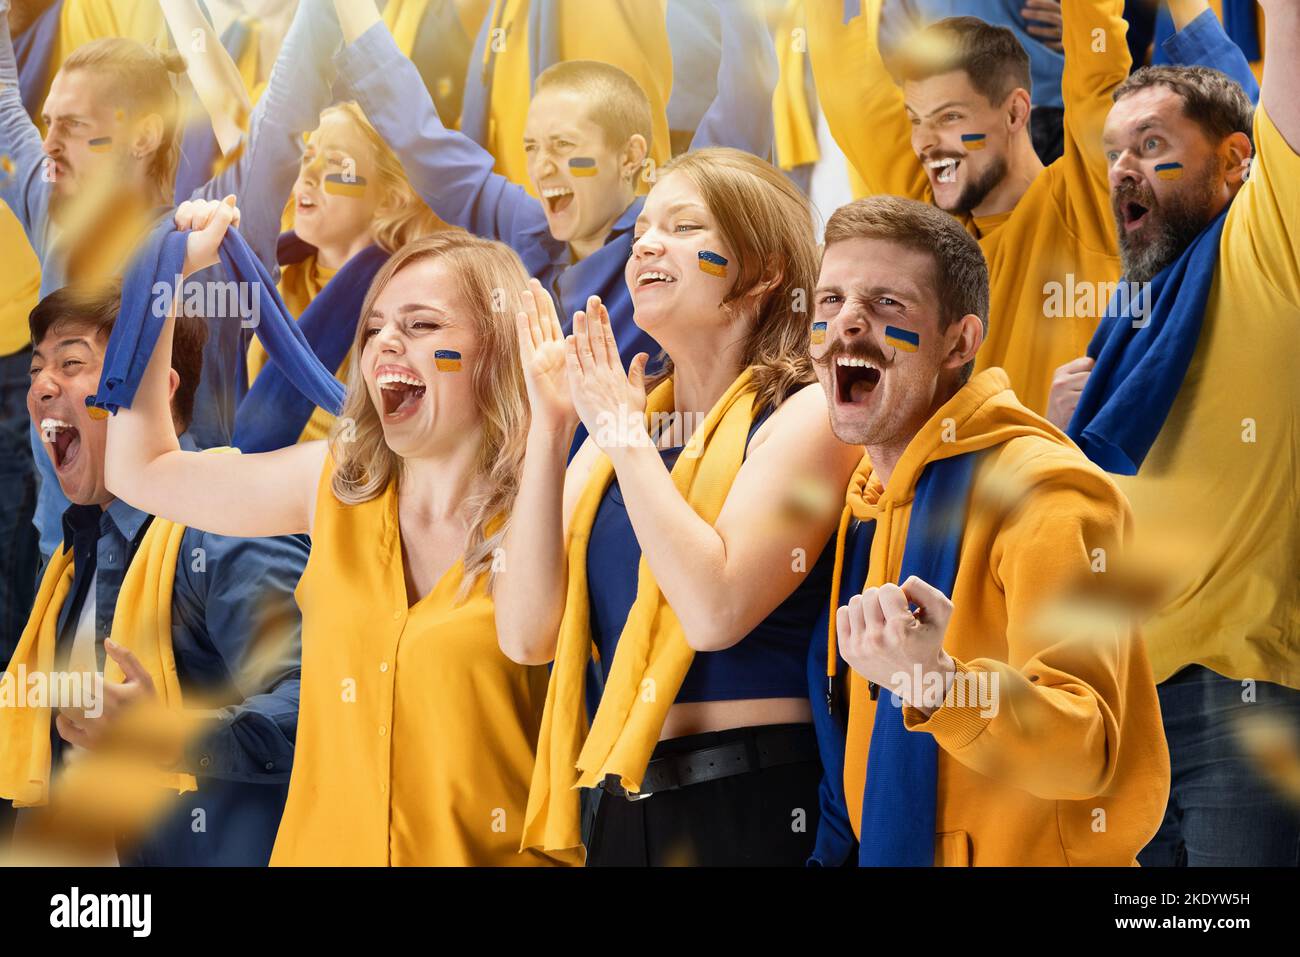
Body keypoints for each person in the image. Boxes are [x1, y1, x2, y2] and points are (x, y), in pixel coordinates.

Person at [103, 198, 580, 867]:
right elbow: (138, 468)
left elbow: (530, 638)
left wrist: (552, 425)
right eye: (376, 326)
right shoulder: (331, 489)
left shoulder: (558, 504)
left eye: (421, 325)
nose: (385, 342)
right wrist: (166, 273)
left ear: (504, 351)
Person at [504, 147, 862, 865]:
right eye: (640, 231)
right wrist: (550, 428)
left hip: (753, 799)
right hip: (620, 805)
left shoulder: (810, 410)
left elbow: (714, 610)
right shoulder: (625, 425)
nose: (646, 243)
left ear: (764, 271)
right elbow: (523, 633)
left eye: (685, 226)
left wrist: (622, 437)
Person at [806, 194, 1168, 867]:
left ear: (960, 341)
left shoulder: (1049, 493)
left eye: (888, 305)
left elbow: (1087, 744)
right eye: (829, 302)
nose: (846, 322)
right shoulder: (867, 504)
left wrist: (941, 684)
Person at [1052, 0, 1300, 866]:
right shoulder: (1125, 329)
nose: (1124, 168)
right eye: (1114, 151)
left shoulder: (1263, 244)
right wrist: (1058, 439)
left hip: (1240, 702)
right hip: (1122, 716)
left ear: (1235, 162)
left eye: (1153, 148)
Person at [0, 0, 343, 561]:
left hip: (185, 577)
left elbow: (284, 106)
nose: (48, 145)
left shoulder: (217, 228)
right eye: (49, 123)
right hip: (65, 568)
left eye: (74, 125)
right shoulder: (58, 210)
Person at [805, 1, 1256, 416]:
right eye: (917, 120)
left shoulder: (1089, 198)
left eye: (950, 118)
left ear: (1015, 112)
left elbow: (1095, 57)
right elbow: (848, 86)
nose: (925, 141)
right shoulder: (928, 221)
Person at [0, 279, 307, 866]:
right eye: (39, 367)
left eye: (72, 363)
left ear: (157, 390)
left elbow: (319, 702)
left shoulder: (224, 524)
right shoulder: (76, 554)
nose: (40, 386)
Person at [327, 0, 777, 385]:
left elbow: (749, 90)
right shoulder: (528, 228)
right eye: (531, 147)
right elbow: (422, 141)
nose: (542, 167)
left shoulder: (675, 243)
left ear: (629, 156)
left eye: (564, 147)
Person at [239, 99, 444, 448]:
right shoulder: (272, 266)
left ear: (389, 200)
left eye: (334, 163)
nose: (308, 174)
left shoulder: (409, 306)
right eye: (307, 156)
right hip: (241, 478)